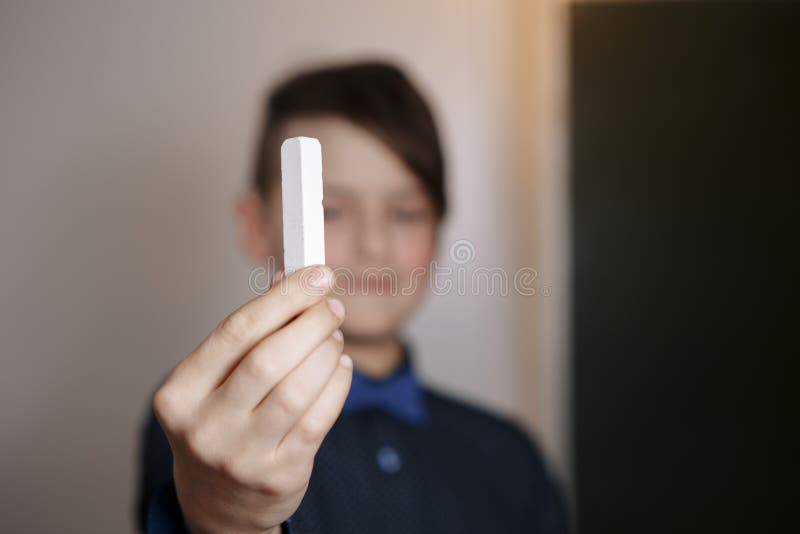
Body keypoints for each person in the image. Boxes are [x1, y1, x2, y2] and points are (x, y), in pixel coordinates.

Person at [136, 60, 568, 534]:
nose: (374, 244)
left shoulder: (509, 456)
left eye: (405, 213)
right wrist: (229, 516)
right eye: (331, 210)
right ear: (256, 226)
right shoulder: (210, 424)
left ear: (439, 232)